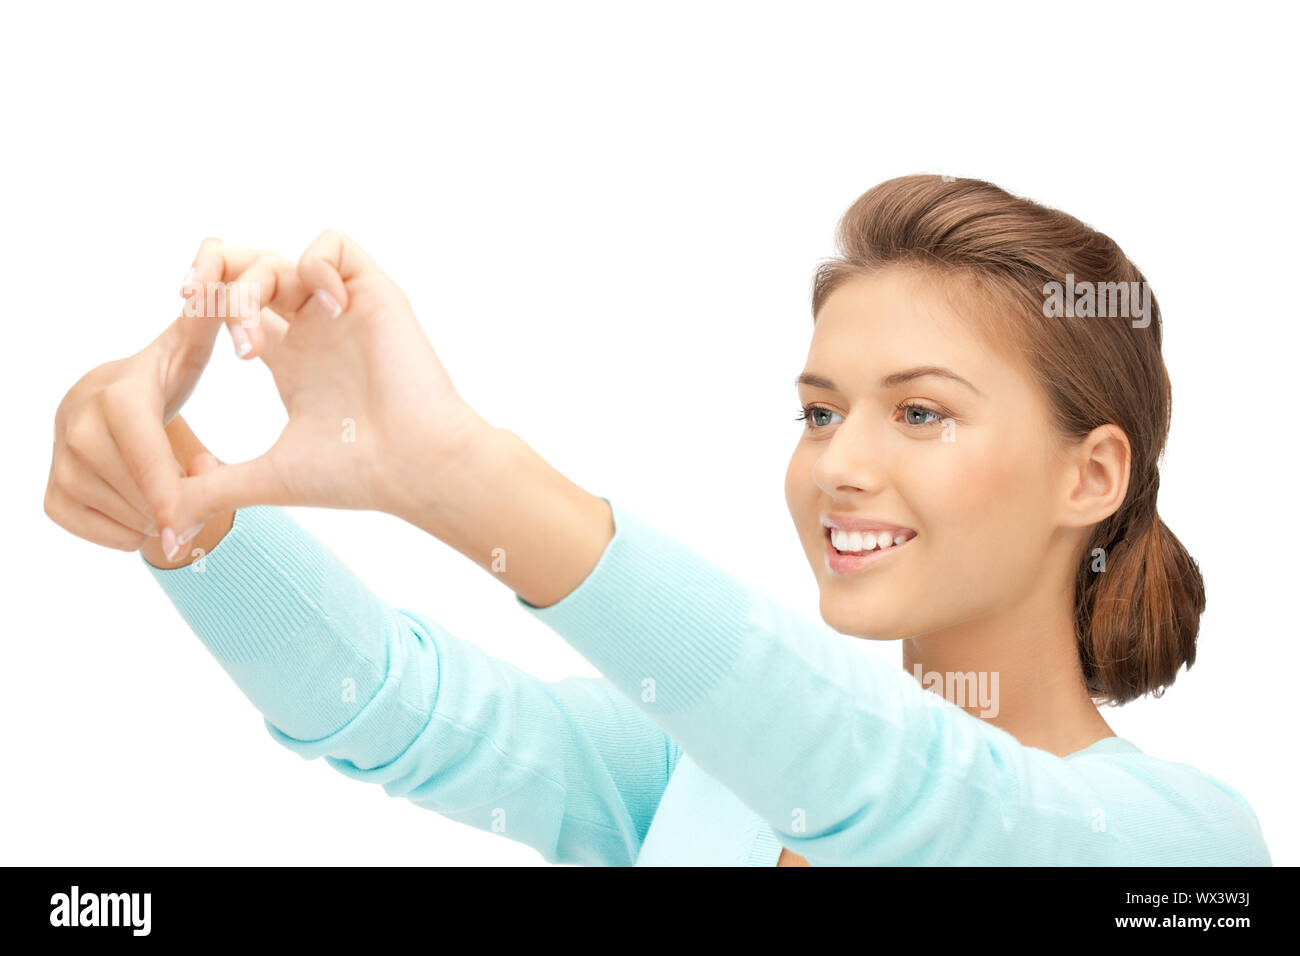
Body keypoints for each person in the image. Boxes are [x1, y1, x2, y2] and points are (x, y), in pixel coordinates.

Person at [44, 174, 1271, 865]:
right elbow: (406, 707)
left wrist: (458, 471)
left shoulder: (1183, 855)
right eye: (817, 410)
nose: (837, 463)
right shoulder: (707, 785)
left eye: (920, 414)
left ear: (1090, 476)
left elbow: (890, 788)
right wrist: (184, 499)